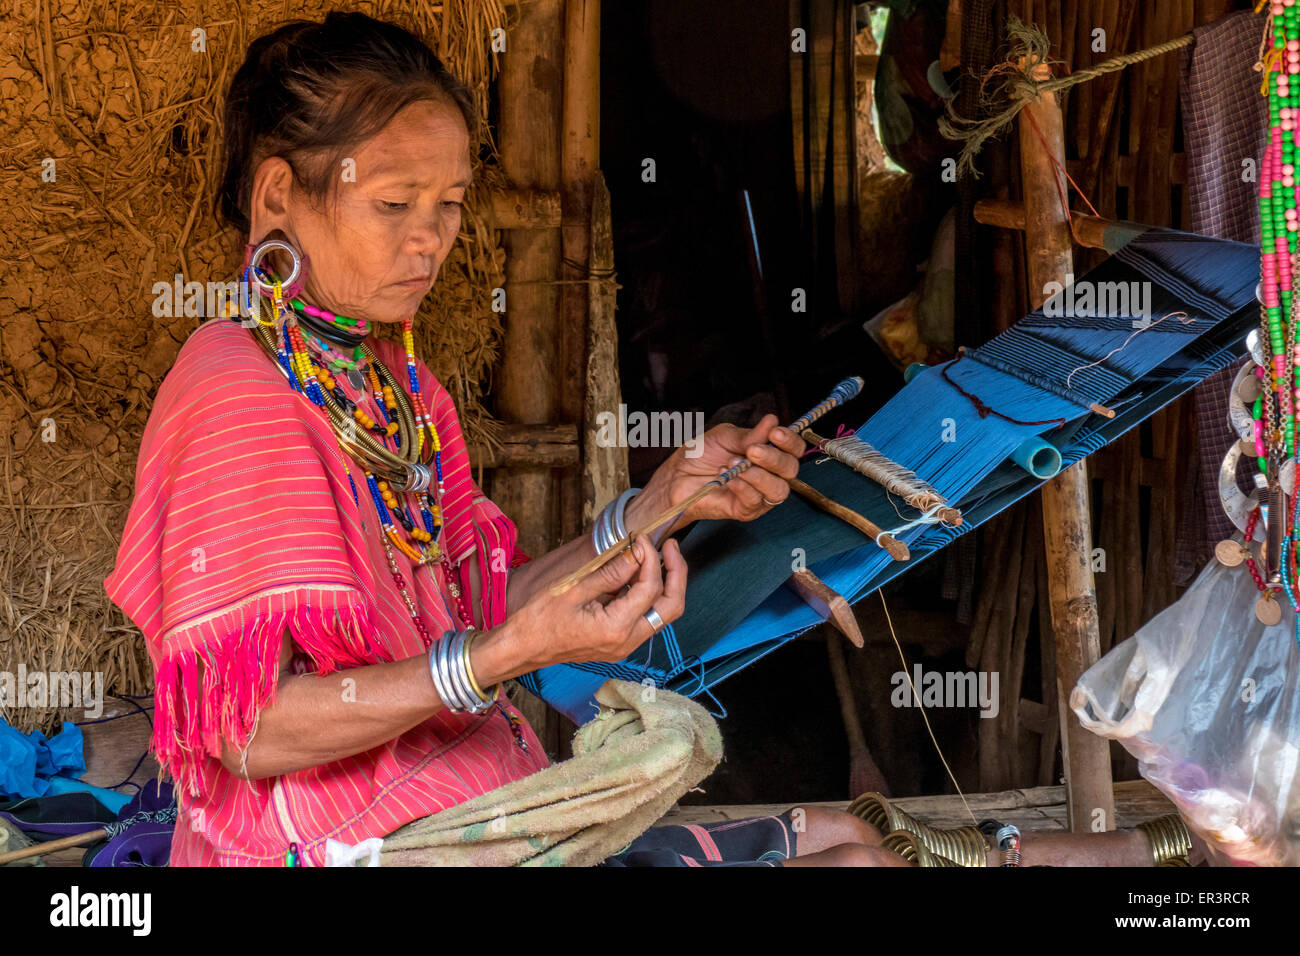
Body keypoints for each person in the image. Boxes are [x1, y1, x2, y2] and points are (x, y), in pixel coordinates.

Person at [104, 10, 895, 867]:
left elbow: (472, 610)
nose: (430, 240)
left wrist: (660, 507)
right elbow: (246, 732)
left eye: (448, 205)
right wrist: (500, 659)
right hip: (344, 847)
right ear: (277, 197)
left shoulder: (398, 389)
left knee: (850, 835)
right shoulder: (234, 393)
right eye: (394, 203)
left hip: (475, 811)